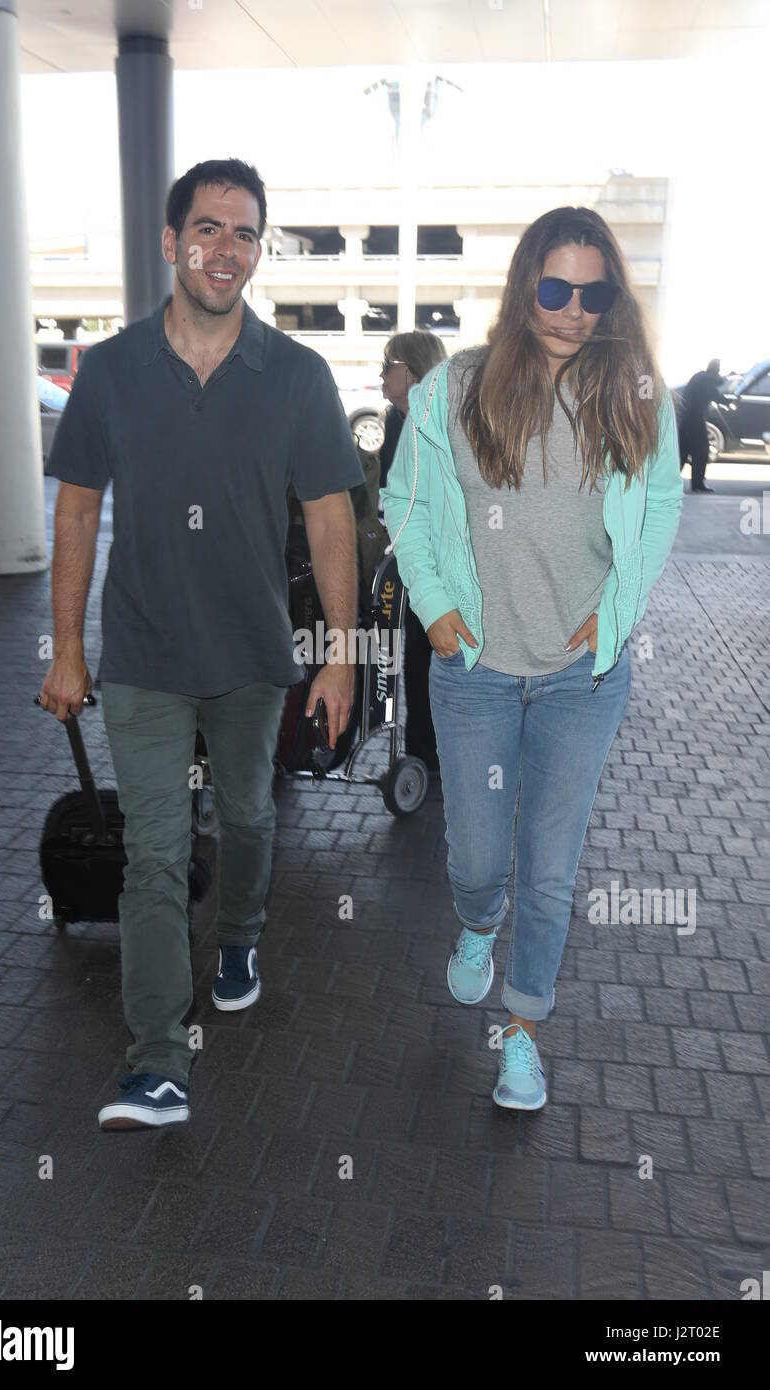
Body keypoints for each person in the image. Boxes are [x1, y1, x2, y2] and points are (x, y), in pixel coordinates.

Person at [39, 158, 366, 1131]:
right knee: (154, 850)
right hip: (140, 654)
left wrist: (342, 653)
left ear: (261, 251)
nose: (227, 249)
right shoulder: (112, 372)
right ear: (173, 238)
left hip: (252, 655)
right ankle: (155, 1064)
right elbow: (77, 508)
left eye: (246, 233)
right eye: (209, 228)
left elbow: (332, 520)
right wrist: (66, 646)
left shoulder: (298, 377)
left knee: (250, 823)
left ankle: (240, 939)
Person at [381, 206, 682, 1111]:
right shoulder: (454, 388)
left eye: (593, 292)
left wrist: (617, 611)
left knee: (549, 870)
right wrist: (433, 608)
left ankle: (522, 1032)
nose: (572, 309)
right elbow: (405, 499)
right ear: (523, 287)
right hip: (473, 666)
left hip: (578, 680)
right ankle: (477, 922)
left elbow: (661, 504)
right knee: (478, 859)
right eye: (554, 288)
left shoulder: (633, 393)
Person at [363, 332, 448, 770]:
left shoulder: (440, 422)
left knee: (428, 653)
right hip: (409, 558)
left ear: (412, 371)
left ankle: (429, 750)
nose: (381, 372)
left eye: (388, 363)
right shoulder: (396, 420)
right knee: (413, 652)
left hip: (441, 562)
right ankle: (421, 747)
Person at [677, 357, 725, 493]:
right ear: (716, 369)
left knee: (682, 453)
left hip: (684, 420)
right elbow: (717, 390)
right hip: (695, 421)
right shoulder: (708, 379)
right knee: (701, 452)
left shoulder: (699, 376)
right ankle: (697, 484)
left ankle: (668, 484)